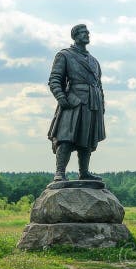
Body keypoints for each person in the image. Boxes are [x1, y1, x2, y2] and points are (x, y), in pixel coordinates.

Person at [47, 24, 106, 182]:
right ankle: (60, 172)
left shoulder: (94, 61)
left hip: (93, 103)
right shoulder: (65, 55)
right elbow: (54, 80)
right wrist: (62, 98)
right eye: (82, 32)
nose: (87, 34)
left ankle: (84, 172)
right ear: (74, 36)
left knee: (87, 139)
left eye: (88, 32)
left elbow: (99, 85)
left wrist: (102, 105)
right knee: (66, 137)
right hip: (73, 101)